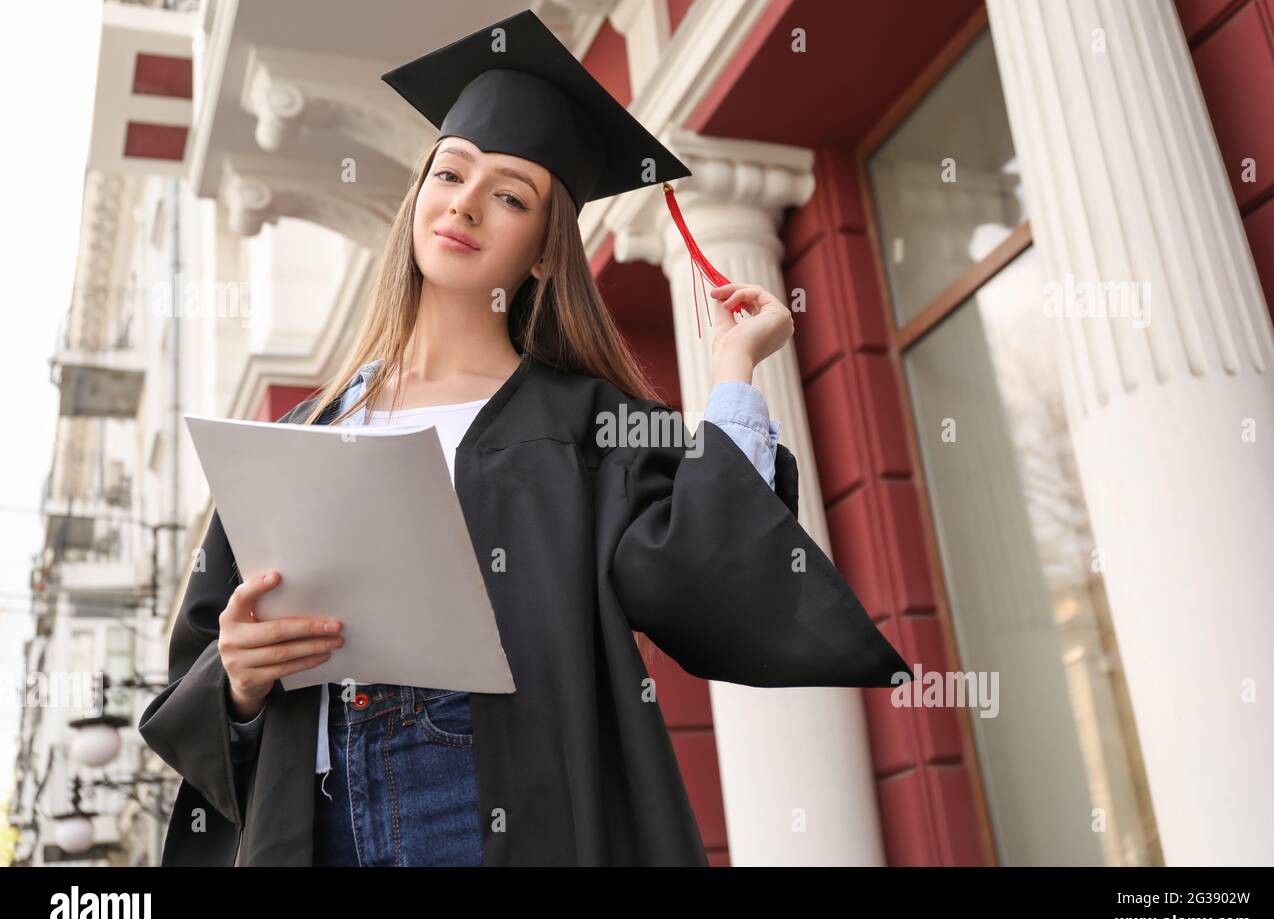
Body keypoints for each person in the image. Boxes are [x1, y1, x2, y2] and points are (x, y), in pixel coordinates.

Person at [139, 9, 912, 867]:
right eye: (450, 174)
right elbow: (200, 679)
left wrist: (733, 371)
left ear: (545, 252)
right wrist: (240, 680)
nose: (465, 203)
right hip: (312, 817)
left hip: (482, 800)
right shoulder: (302, 432)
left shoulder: (589, 429)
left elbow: (708, 576)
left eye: (509, 195)